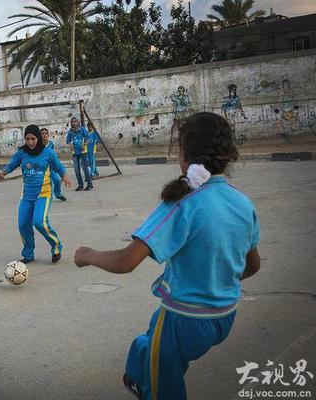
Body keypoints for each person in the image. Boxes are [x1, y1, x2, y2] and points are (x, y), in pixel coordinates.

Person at [74, 112, 261, 400]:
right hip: (225, 316)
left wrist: (88, 255)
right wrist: (217, 278)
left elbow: (126, 261)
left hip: (183, 319)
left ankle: (145, 379)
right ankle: (139, 372)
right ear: (227, 154)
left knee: (164, 386)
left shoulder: (183, 202)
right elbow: (252, 265)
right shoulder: (242, 201)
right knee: (149, 338)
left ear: (184, 153)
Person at [0, 124, 71, 264]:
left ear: (37, 137)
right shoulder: (22, 152)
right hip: (26, 195)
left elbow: (59, 166)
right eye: (27, 139)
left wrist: (65, 176)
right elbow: (12, 164)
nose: (30, 142)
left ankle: (56, 245)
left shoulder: (48, 153)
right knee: (23, 225)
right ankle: (28, 253)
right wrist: (4, 172)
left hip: (43, 194)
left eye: (33, 138)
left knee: (39, 222)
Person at [66, 117, 92, 191]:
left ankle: (90, 184)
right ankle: (80, 185)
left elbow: (88, 137)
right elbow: (68, 140)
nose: (74, 123)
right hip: (75, 152)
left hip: (83, 152)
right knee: (76, 169)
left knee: (85, 169)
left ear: (78, 122)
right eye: (72, 122)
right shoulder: (71, 131)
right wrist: (70, 145)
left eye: (75, 121)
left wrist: (84, 144)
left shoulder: (83, 129)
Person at [40, 128, 66, 202]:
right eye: (42, 134)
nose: (44, 135)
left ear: (48, 135)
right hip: (43, 168)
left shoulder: (51, 144)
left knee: (57, 180)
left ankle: (58, 194)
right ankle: (45, 197)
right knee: (44, 183)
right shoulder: (38, 145)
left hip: (51, 167)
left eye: (46, 133)